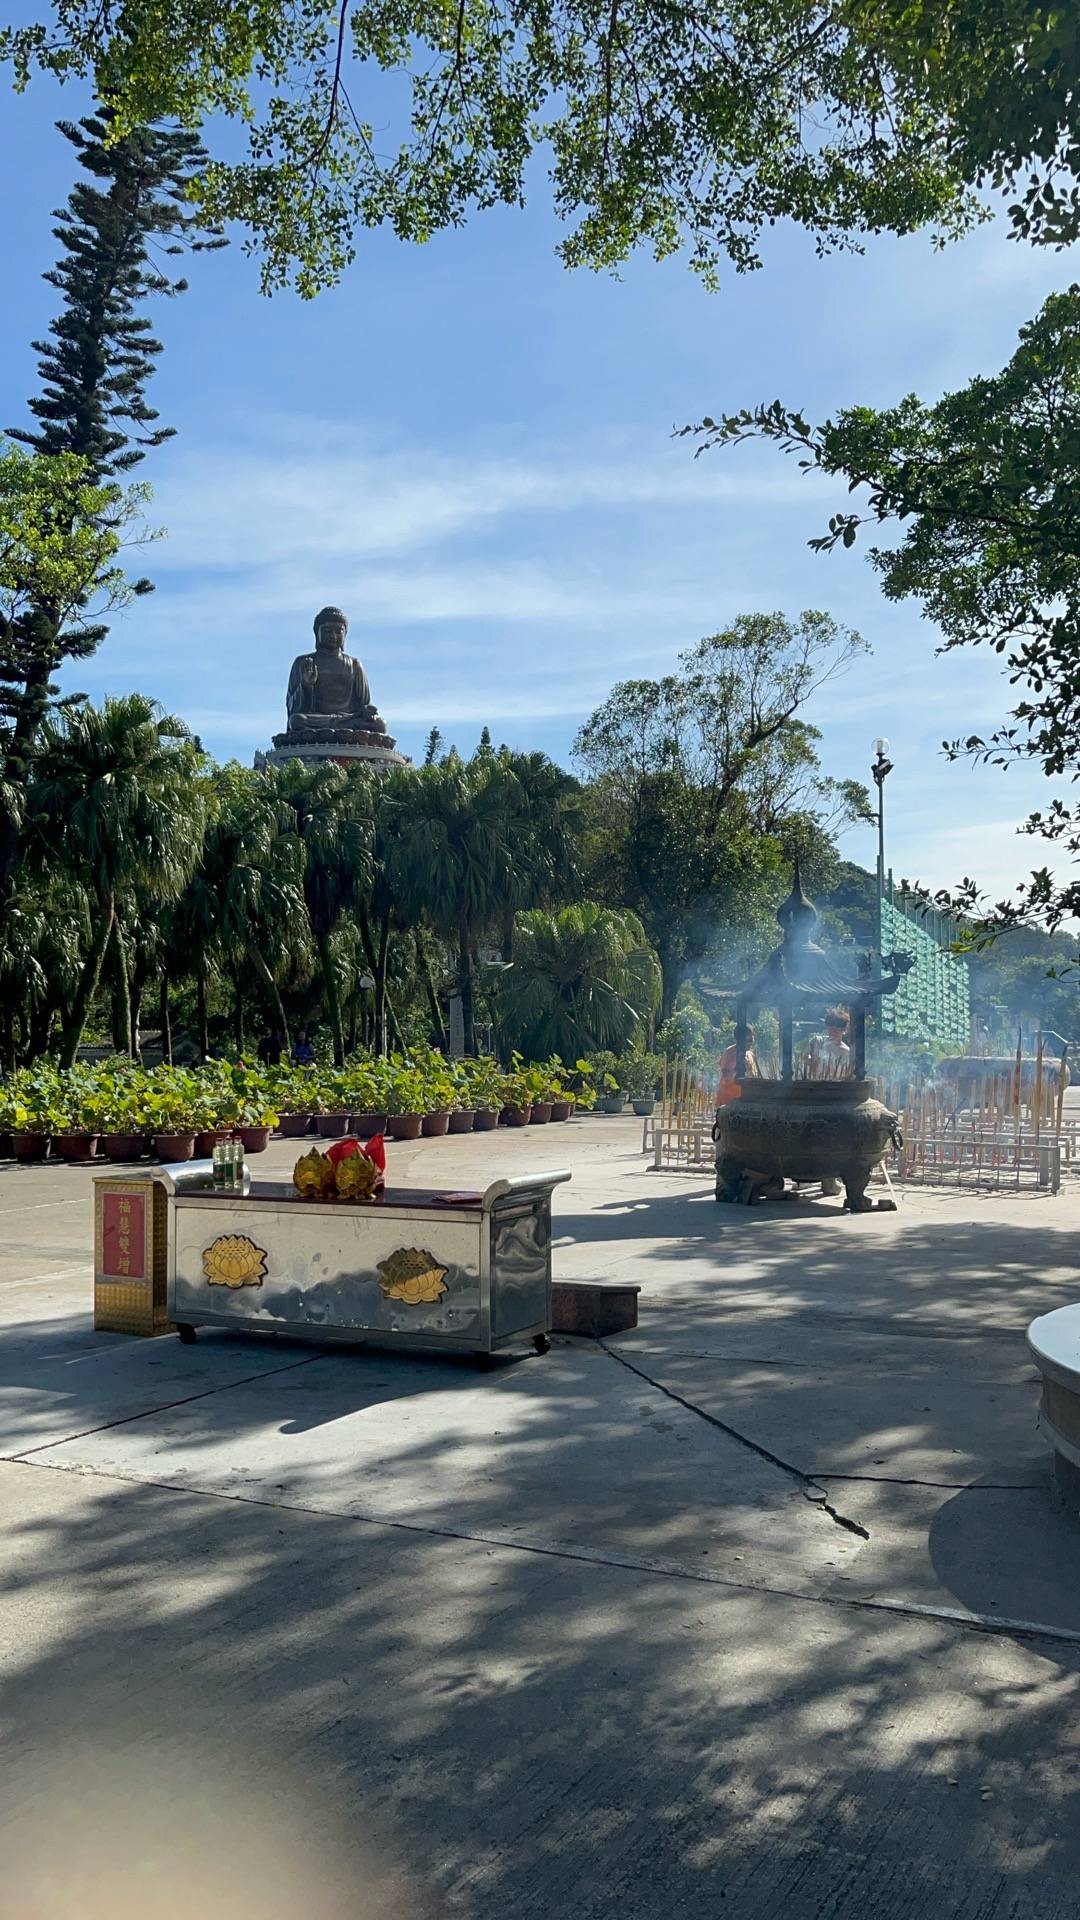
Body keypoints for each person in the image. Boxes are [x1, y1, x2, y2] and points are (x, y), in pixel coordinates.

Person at [716, 1024, 758, 1108]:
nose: (751, 1042)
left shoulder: (751, 1055)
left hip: (746, 1100)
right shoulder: (730, 1053)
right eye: (748, 1040)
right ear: (739, 1040)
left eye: (752, 1039)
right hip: (729, 1102)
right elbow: (726, 1075)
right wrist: (738, 1072)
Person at [808, 1009, 851, 1078]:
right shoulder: (817, 1042)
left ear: (844, 1029)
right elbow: (809, 1063)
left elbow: (843, 1075)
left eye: (837, 1029)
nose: (833, 1032)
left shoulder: (846, 1051)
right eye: (831, 1029)